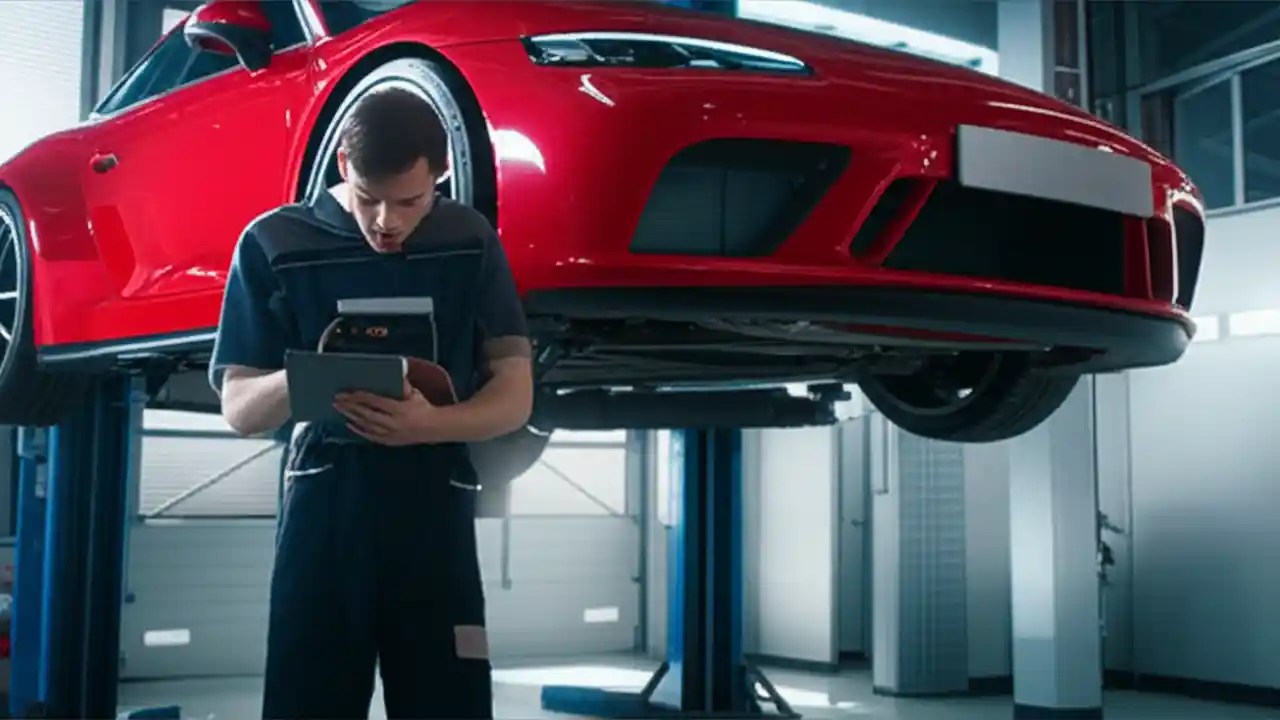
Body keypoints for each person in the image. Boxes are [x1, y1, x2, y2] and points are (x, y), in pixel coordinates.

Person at [208, 87, 533, 719]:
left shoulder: (471, 242)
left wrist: (431, 425)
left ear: (440, 176)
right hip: (326, 501)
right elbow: (240, 408)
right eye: (368, 198)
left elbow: (515, 392)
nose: (387, 220)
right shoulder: (274, 243)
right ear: (342, 170)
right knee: (309, 700)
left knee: (450, 701)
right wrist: (312, 378)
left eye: (409, 201)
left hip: (434, 500)